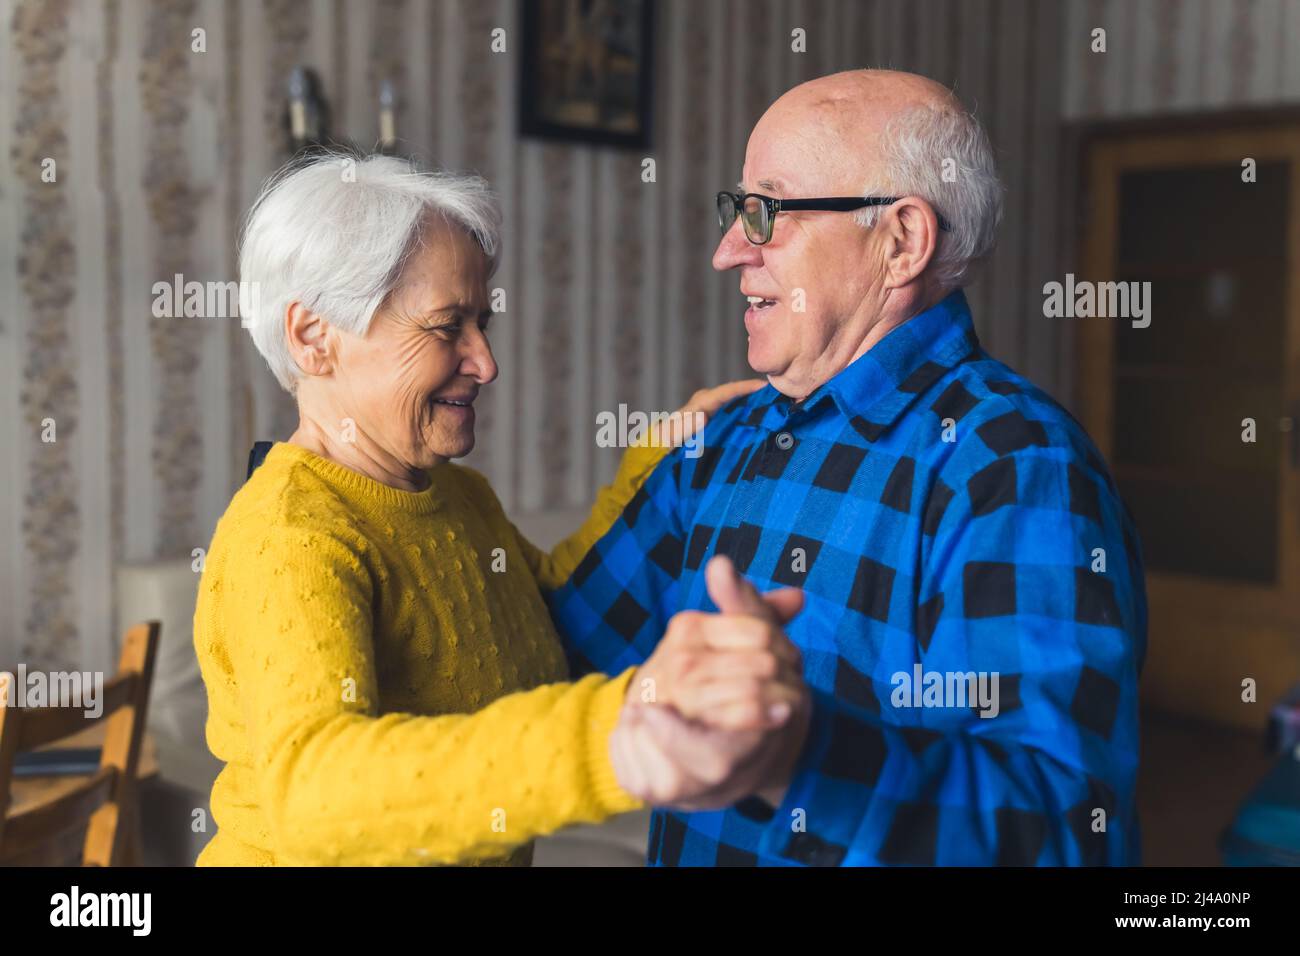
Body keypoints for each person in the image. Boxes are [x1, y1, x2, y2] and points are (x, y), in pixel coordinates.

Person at [550, 69, 1147, 865]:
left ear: (900, 241)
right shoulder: (717, 443)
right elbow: (550, 662)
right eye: (737, 211)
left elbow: (1066, 835)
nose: (730, 251)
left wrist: (796, 756)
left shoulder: (1015, 466)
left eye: (767, 210)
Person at [192, 152, 807, 866]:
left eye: (482, 322)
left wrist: (657, 460)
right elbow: (315, 792)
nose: (485, 361)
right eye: (446, 326)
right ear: (313, 337)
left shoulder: (454, 494)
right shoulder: (291, 535)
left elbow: (542, 613)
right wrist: (618, 735)